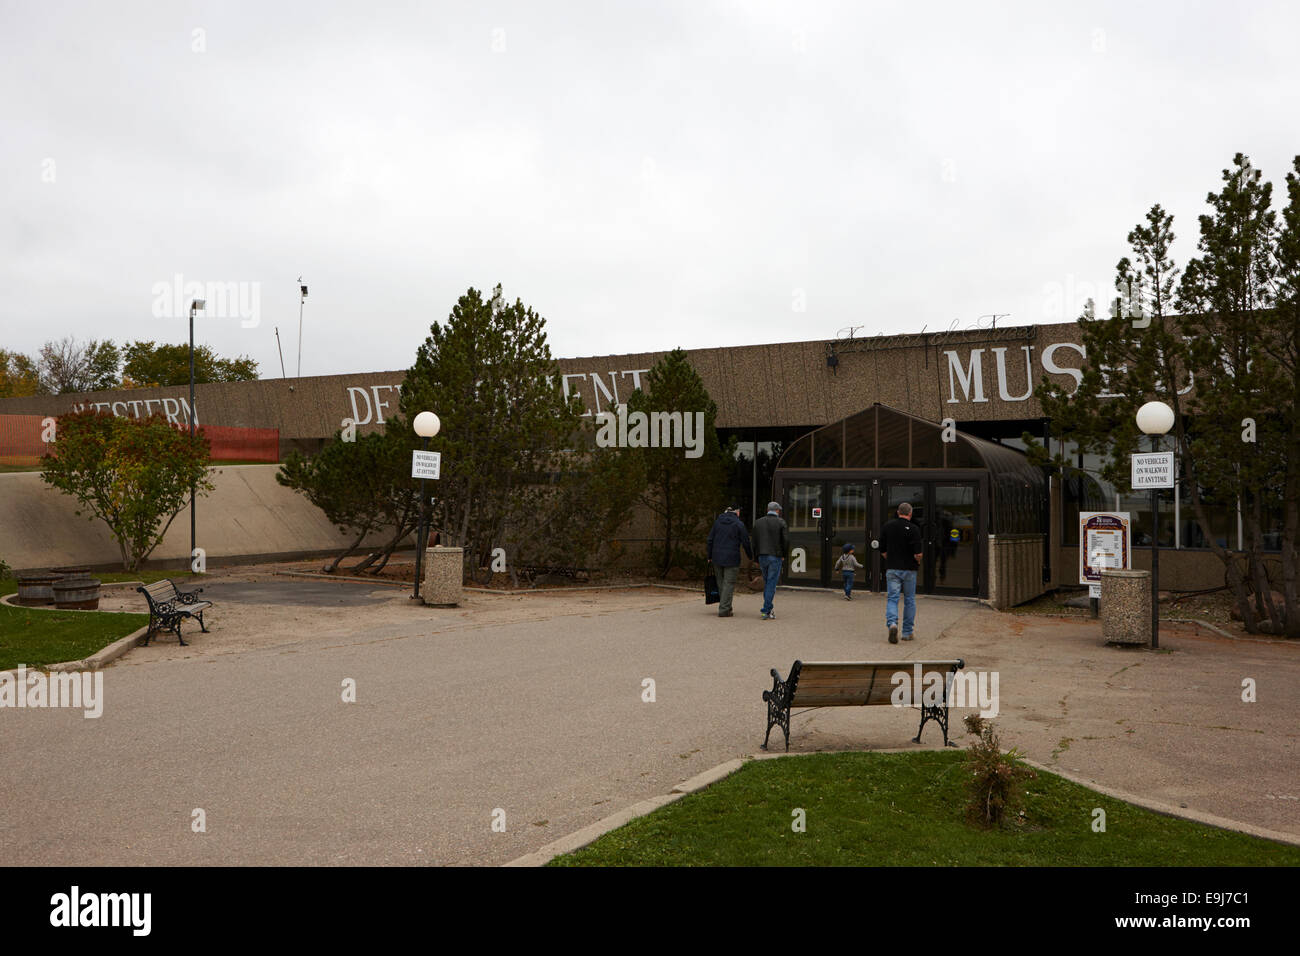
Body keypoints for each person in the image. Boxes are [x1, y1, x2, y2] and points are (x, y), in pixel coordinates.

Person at [879, 501, 923, 643]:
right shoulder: (914, 529)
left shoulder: (888, 526)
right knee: (909, 600)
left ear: (898, 512)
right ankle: (907, 632)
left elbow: (882, 548)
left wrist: (888, 557)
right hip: (909, 569)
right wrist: (918, 561)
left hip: (892, 568)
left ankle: (892, 624)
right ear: (910, 513)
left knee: (893, 598)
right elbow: (918, 553)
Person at [705, 506, 753, 618]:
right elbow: (746, 542)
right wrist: (750, 555)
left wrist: (709, 555)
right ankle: (724, 609)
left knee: (721, 583)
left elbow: (710, 539)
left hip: (716, 557)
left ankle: (726, 606)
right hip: (732, 558)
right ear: (737, 512)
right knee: (728, 584)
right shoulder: (739, 524)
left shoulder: (717, 523)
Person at [751, 501, 789, 620]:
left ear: (768, 510)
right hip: (775, 556)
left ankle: (769, 608)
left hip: (762, 555)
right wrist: (784, 555)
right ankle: (766, 610)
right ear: (777, 510)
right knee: (771, 584)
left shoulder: (758, 522)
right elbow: (786, 541)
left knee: (768, 582)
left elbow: (754, 542)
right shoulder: (781, 522)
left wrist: (755, 557)